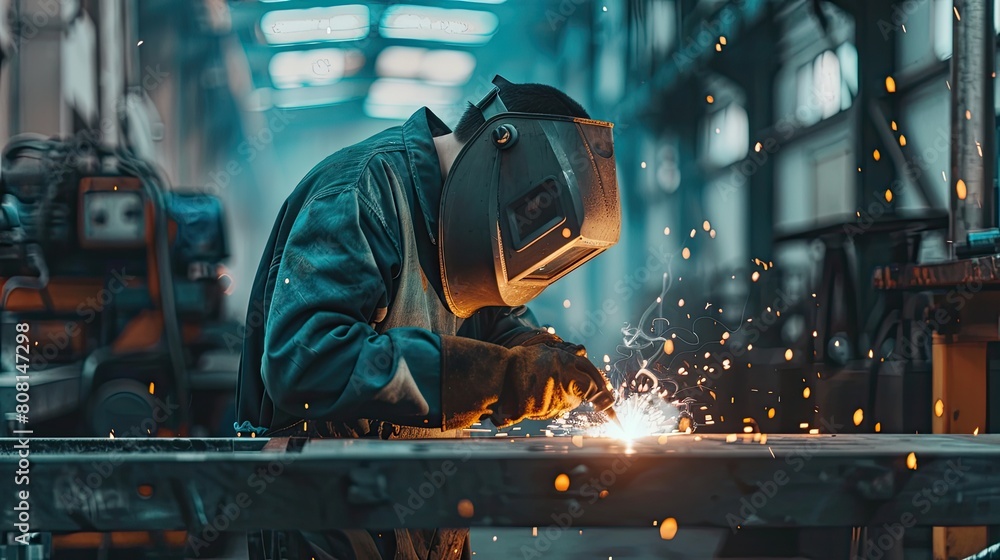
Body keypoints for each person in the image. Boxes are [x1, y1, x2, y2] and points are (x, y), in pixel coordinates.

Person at [234, 75, 621, 560]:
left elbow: (498, 324)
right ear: (500, 151)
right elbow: (306, 362)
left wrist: (538, 353)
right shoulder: (359, 193)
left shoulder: (472, 229)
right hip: (329, 522)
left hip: (424, 518)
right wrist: (501, 378)